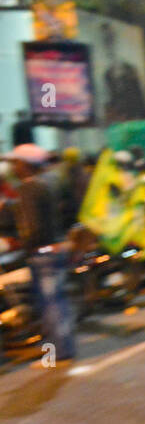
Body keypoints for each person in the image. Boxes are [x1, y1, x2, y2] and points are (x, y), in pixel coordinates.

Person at [3, 144, 77, 366]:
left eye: (15, 163)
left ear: (25, 165)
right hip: (56, 249)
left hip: (42, 253)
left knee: (50, 306)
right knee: (58, 303)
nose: (13, 167)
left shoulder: (28, 188)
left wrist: (22, 246)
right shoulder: (51, 182)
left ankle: (56, 354)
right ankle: (63, 348)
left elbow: (32, 227)